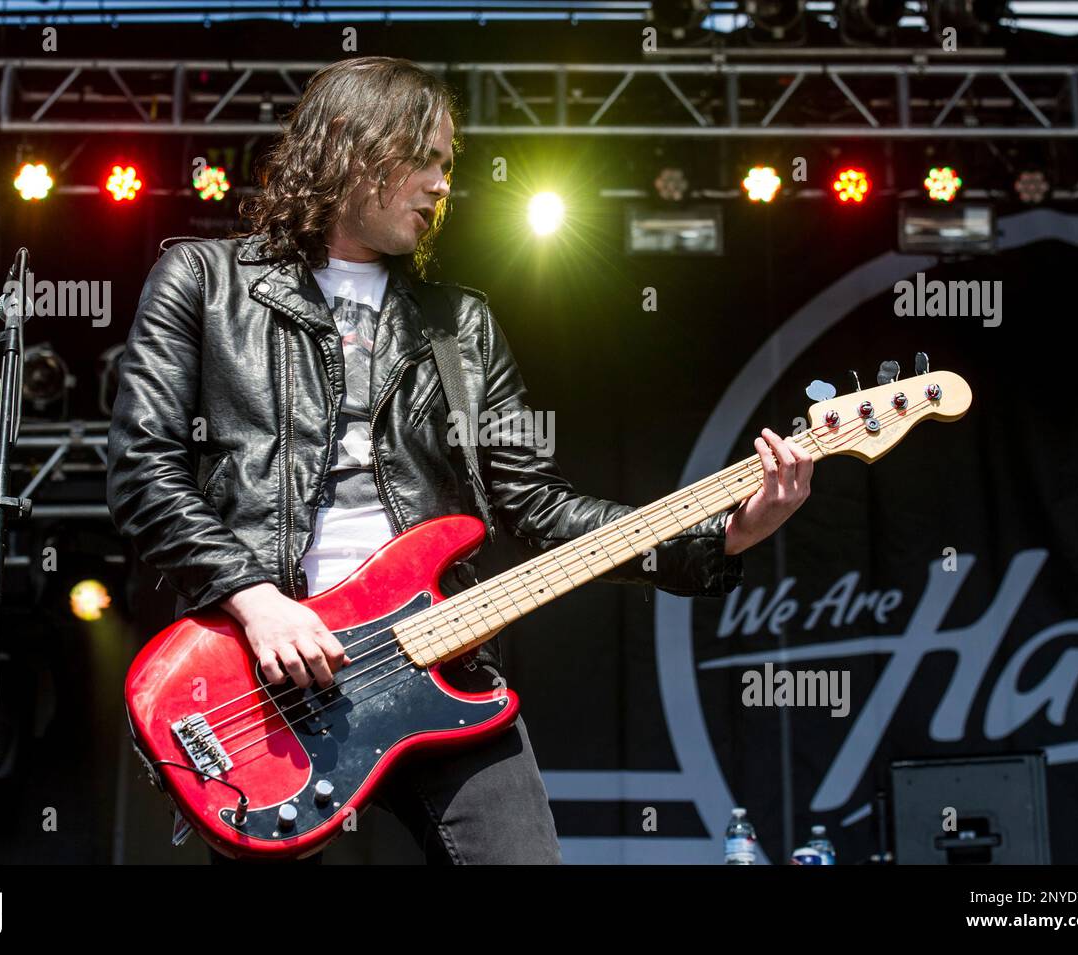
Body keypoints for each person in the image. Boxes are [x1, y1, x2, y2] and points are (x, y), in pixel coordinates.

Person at [106, 56, 812, 865]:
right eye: (425, 159)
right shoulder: (204, 281)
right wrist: (258, 601)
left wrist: (723, 533)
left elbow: (538, 504)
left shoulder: (461, 325)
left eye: (449, 165)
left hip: (437, 656)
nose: (443, 184)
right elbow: (142, 469)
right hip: (264, 669)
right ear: (352, 146)